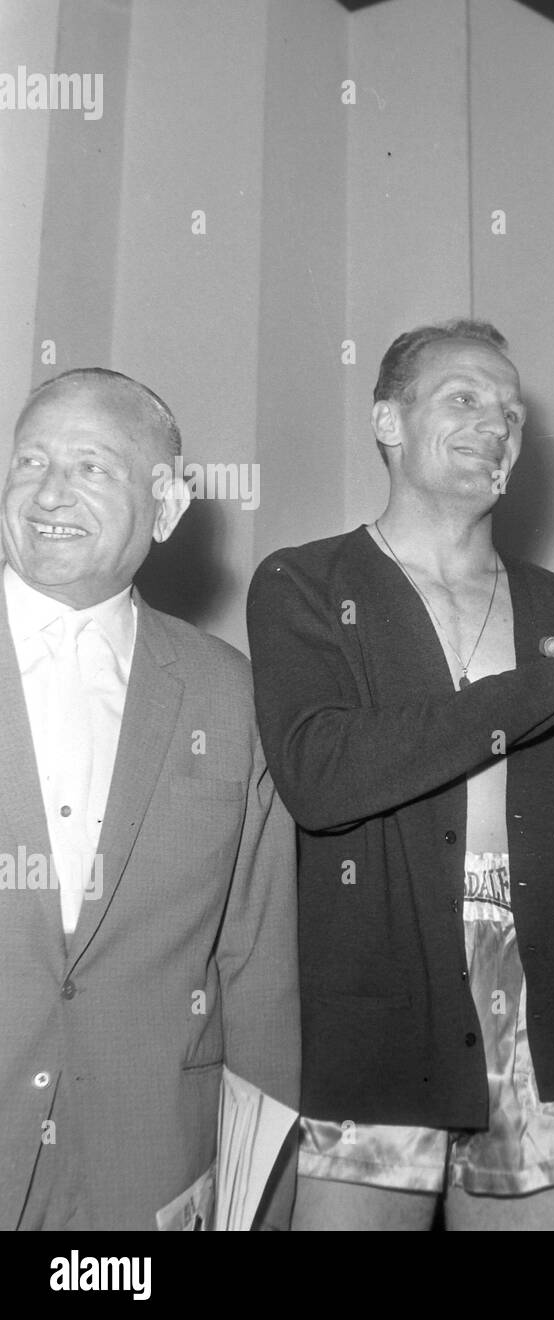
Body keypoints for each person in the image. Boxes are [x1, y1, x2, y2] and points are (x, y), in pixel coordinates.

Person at [247, 320, 554, 1231]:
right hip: (376, 1000)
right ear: (387, 419)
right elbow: (324, 776)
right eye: (464, 399)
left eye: (510, 411)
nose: (496, 425)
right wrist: (551, 682)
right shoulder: (304, 584)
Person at [0, 368, 299, 1230]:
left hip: (149, 1171)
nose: (50, 492)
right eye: (30, 461)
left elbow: (261, 966)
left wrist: (259, 1199)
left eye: (91, 467)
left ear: (167, 508)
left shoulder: (227, 693)